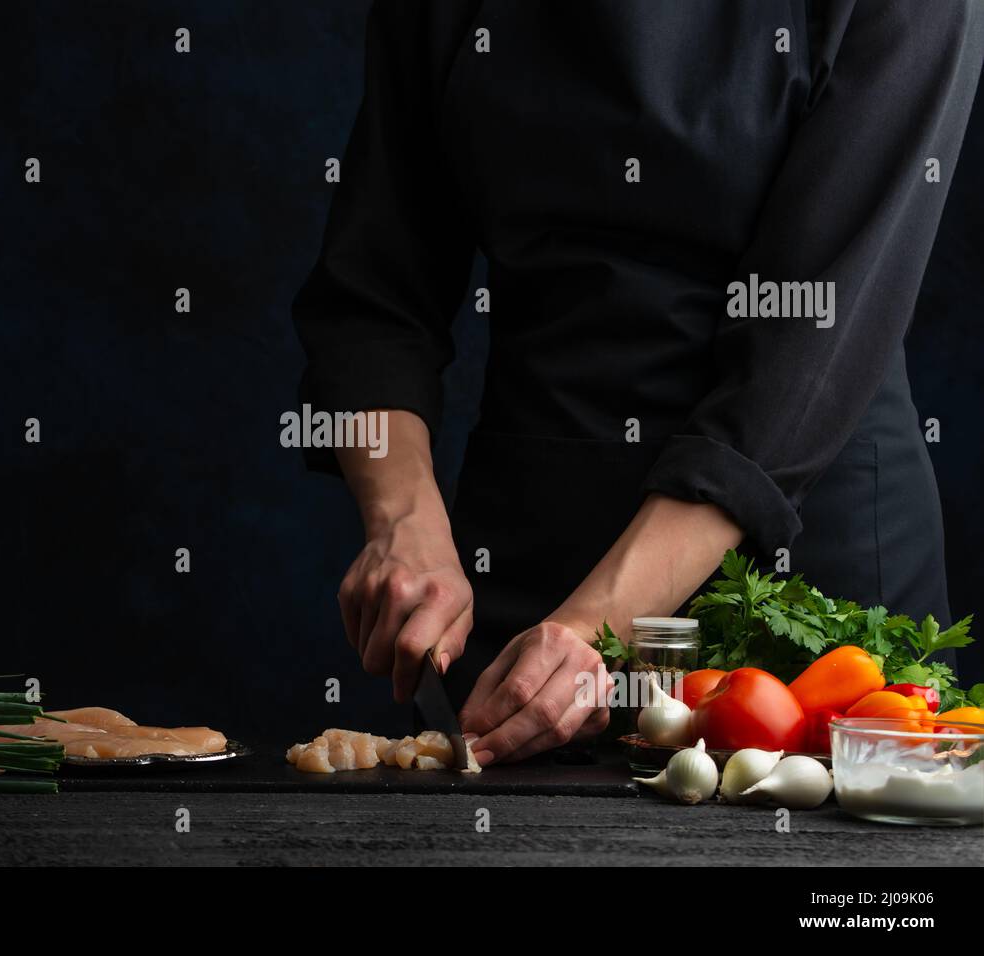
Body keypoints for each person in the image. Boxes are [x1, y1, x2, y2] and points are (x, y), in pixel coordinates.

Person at [292, 1, 984, 765]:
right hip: (527, 572)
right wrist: (404, 524)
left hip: (813, 592)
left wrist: (598, 623)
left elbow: (809, 349)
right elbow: (374, 294)